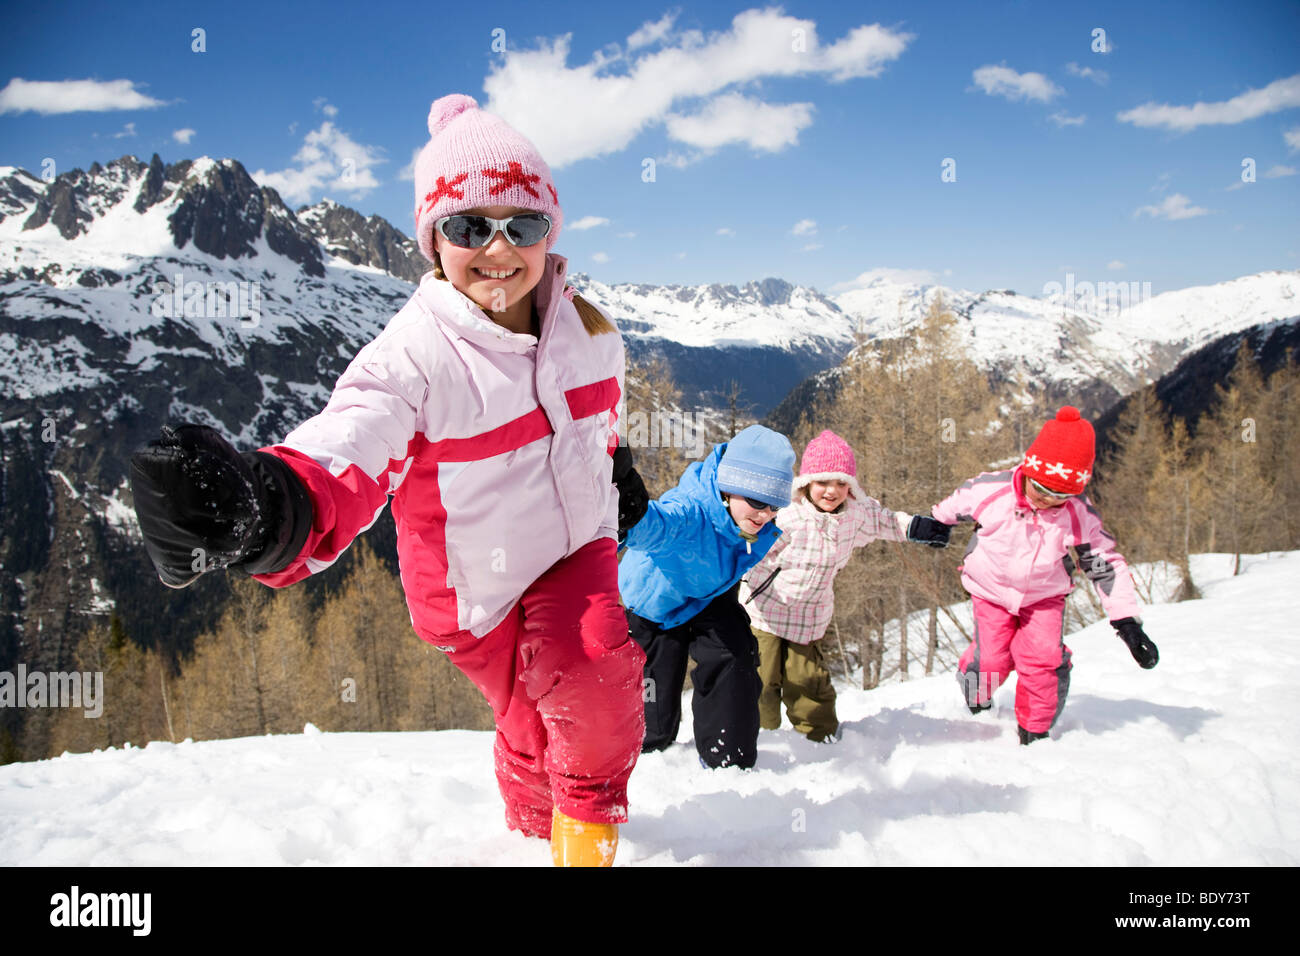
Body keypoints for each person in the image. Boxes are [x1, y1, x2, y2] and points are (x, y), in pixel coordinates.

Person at [128, 94, 645, 866]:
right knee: (534, 718)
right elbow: (351, 444)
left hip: (575, 551)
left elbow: (596, 427)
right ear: (434, 240)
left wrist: (618, 478)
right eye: (469, 226)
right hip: (473, 593)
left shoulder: (589, 330)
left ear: (552, 232)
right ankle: (534, 824)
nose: (498, 249)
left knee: (596, 677)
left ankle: (585, 842)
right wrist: (269, 508)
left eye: (523, 224)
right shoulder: (413, 357)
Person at [912, 406, 1159, 744]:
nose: (1047, 501)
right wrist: (937, 521)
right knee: (991, 660)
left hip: (1044, 598)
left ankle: (1034, 729)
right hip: (990, 592)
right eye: (1041, 490)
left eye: (1061, 495)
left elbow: (1103, 562)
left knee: (1042, 660)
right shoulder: (994, 490)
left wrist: (1126, 621)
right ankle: (976, 696)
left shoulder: (1076, 512)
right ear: (1028, 469)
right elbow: (960, 499)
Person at [740, 430, 948, 743]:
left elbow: (886, 521)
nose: (832, 491)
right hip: (764, 611)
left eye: (841, 483)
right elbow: (746, 546)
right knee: (761, 679)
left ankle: (818, 738)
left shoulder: (855, 516)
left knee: (808, 681)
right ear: (807, 483)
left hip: (809, 617)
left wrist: (918, 527)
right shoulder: (787, 516)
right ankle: (758, 737)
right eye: (823, 482)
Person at [619, 424, 795, 769]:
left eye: (775, 505)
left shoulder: (746, 517)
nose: (765, 515)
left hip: (710, 593)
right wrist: (630, 509)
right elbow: (657, 525)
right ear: (729, 489)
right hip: (657, 603)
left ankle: (729, 757)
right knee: (653, 691)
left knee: (735, 653)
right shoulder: (690, 512)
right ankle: (650, 752)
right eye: (758, 502)